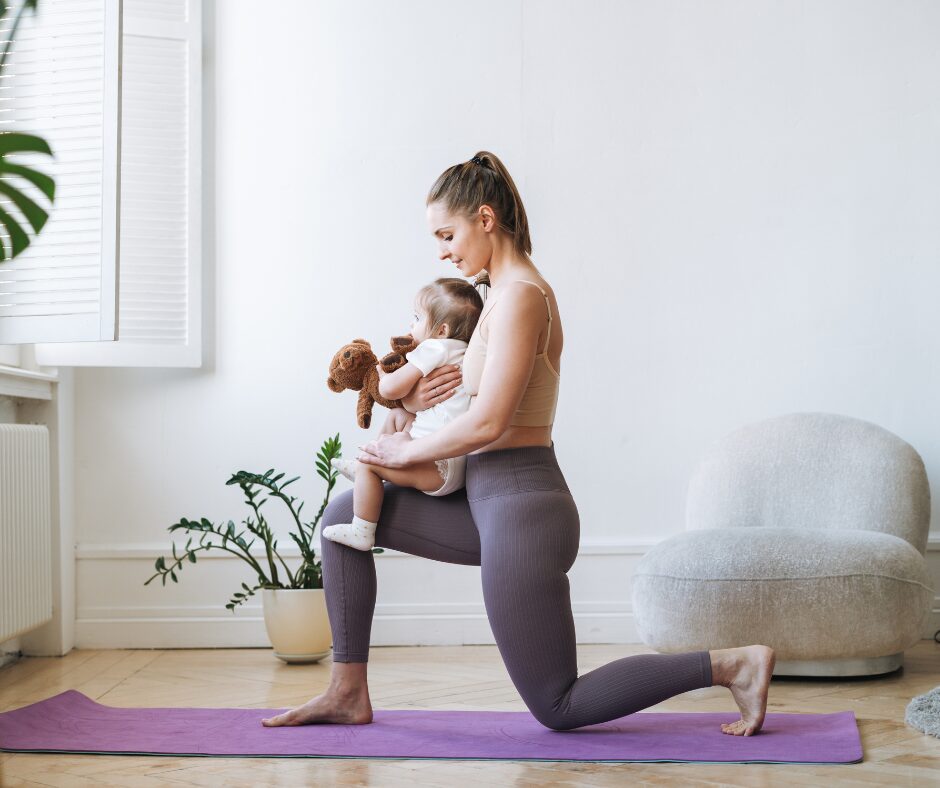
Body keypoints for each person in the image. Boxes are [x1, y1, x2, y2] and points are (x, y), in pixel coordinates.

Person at [262, 151, 775, 736]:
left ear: (485, 219)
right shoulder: (493, 298)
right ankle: (347, 690)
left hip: (522, 505)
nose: (443, 251)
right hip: (483, 497)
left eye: (447, 234)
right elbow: (465, 400)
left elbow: (489, 422)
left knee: (559, 705)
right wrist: (412, 401)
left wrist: (406, 452)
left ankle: (733, 664)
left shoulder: (525, 295)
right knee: (343, 517)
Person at [322, 277, 483, 550]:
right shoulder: (464, 351)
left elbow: (391, 390)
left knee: (372, 467)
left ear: (441, 330)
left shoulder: (434, 347)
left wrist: (381, 374)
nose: (412, 325)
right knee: (399, 418)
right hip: (454, 463)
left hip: (437, 466)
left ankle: (362, 528)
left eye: (417, 317)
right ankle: (369, 457)